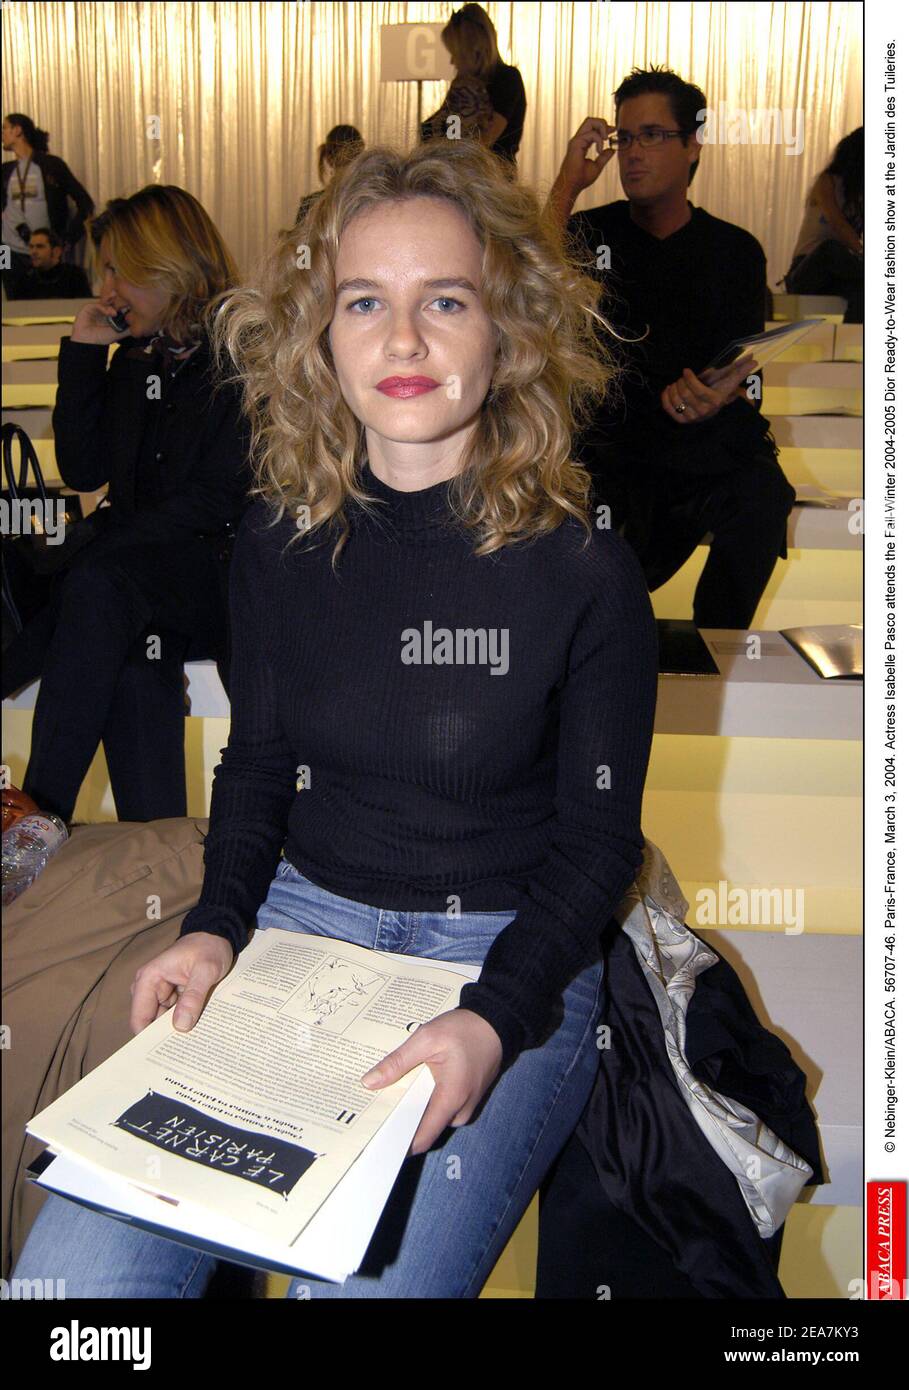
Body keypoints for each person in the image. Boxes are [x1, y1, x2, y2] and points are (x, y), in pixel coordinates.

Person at [12, 137, 658, 1299]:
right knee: (69, 1297)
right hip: (297, 934)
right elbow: (257, 766)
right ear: (321, 331)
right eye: (366, 301)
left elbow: (598, 844)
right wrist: (215, 927)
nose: (402, 341)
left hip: (510, 960)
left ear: (505, 330)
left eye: (443, 301)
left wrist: (494, 1019)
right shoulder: (279, 540)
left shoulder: (587, 570)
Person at [0, 185, 253, 824]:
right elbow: (85, 469)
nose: (106, 287)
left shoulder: (244, 355)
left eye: (119, 268)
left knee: (97, 584)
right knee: (137, 666)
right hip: (132, 590)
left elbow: (217, 502)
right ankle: (160, 852)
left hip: (216, 580)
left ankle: (34, 818)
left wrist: (110, 540)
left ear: (167, 266)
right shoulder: (137, 357)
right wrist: (85, 351)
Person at [549, 66, 797, 632]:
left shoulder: (735, 251)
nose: (633, 153)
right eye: (625, 137)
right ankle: (589, 651)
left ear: (692, 145)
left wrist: (716, 397)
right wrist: (568, 181)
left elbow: (740, 367)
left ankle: (719, 641)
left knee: (761, 494)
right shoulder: (590, 235)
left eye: (653, 136)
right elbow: (520, 280)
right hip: (609, 446)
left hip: (698, 444)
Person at [420, 4, 526, 167]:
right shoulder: (463, 86)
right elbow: (452, 132)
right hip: (465, 178)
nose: (453, 61)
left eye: (456, 53)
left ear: (473, 49)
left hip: (492, 183)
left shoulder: (506, 79)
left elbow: (482, 143)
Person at [1, 112, 94, 296]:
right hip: (7, 250)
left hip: (43, 252)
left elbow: (85, 204)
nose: (1, 133)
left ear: (17, 130)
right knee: (12, 304)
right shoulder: (5, 171)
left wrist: (67, 239)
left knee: (46, 302)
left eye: (4, 128)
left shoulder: (51, 165)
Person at [782, 127, 863, 323]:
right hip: (807, 269)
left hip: (839, 275)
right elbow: (838, 224)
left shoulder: (862, 194)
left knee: (863, 293)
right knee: (830, 250)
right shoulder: (826, 182)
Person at [295, 124, 364, 226]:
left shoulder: (311, 205)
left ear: (328, 158)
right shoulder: (369, 200)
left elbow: (298, 241)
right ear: (361, 156)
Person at [6, 226, 92, 299]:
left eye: (40, 247)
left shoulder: (75, 276)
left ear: (56, 252)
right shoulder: (25, 281)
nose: (33, 252)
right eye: (31, 247)